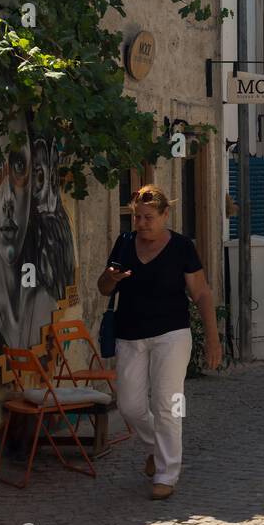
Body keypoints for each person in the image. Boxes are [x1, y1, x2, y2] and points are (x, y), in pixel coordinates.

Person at [97, 184, 221, 502]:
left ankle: (167, 474)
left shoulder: (181, 247)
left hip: (171, 335)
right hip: (130, 335)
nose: (141, 223)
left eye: (148, 217)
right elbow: (104, 288)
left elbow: (201, 294)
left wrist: (212, 338)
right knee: (130, 405)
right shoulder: (124, 244)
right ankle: (156, 447)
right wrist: (110, 278)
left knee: (166, 404)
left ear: (165, 215)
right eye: (137, 217)